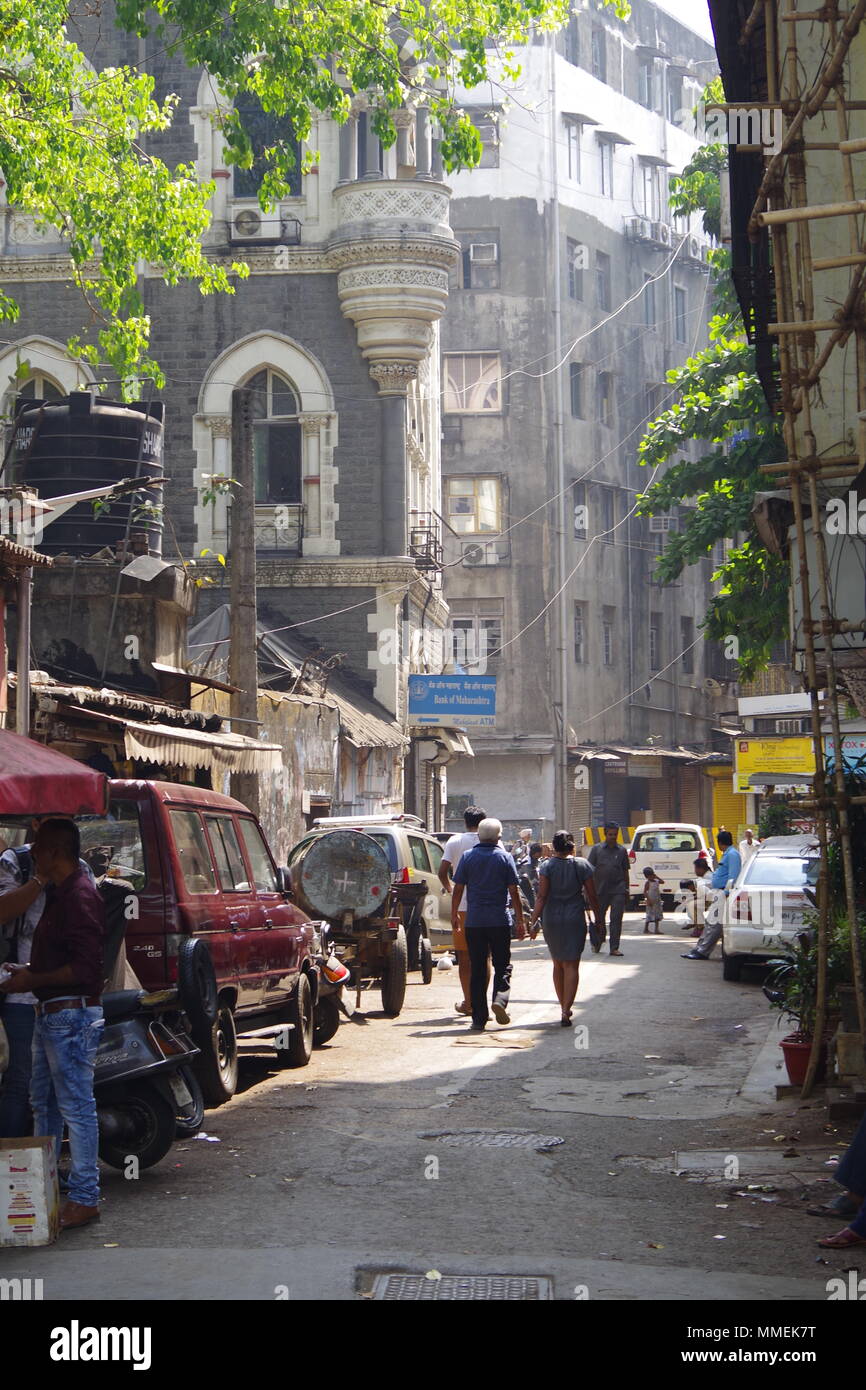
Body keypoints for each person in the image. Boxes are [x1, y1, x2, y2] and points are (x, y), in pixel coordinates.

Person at [0, 818, 106, 1231]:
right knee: (42, 1105)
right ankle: (47, 1185)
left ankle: (84, 1195)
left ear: (53, 852)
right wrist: (28, 969)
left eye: (38, 848)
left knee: (76, 1108)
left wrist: (34, 980)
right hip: (51, 1012)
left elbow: (84, 969)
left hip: (71, 1015)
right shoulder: (60, 892)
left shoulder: (79, 895)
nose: (33, 854)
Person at [0, 820, 94, 1140]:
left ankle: (54, 1173)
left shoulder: (78, 872)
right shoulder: (15, 862)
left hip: (59, 996)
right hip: (20, 994)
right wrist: (40, 876)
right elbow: (3, 911)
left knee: (60, 1093)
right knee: (21, 1080)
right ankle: (13, 1170)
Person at [450, 818, 525, 1031]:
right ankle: (500, 1001)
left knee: (477, 969)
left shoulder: (468, 857)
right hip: (499, 921)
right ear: (499, 836)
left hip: (474, 922)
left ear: (480, 836)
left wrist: (454, 914)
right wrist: (520, 920)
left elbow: (458, 889)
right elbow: (514, 891)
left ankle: (478, 1018)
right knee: (502, 965)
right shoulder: (504, 857)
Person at [528, 830, 600, 1026]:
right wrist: (599, 919)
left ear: (554, 847)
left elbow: (541, 897)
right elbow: (592, 896)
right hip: (574, 918)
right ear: (572, 846)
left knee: (558, 964)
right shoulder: (582, 865)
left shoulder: (547, 866)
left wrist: (533, 921)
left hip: (552, 918)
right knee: (572, 964)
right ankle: (567, 1009)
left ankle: (562, 1006)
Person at [438, 805, 487, 1016]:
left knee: (465, 958)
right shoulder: (494, 841)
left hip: (462, 907)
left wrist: (451, 891)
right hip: (487, 907)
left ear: (464, 821)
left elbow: (442, 872)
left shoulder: (455, 841)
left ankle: (468, 1002)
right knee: (485, 958)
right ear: (483, 822)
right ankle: (480, 1003)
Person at [682, 830, 742, 961]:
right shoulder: (728, 854)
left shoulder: (732, 855)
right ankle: (699, 949)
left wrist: (726, 893)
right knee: (710, 923)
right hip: (719, 892)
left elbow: (733, 876)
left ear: (720, 843)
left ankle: (702, 951)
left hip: (723, 893)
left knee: (714, 925)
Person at [587, 822, 629, 957]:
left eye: (615, 834)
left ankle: (614, 947)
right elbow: (589, 870)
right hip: (600, 890)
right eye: (610, 834)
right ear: (605, 834)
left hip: (618, 889)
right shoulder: (596, 850)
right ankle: (598, 941)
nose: (613, 837)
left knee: (616, 919)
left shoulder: (622, 851)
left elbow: (625, 871)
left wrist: (627, 889)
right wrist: (587, 890)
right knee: (599, 919)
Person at [642, 867, 664, 934]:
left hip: (657, 900)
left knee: (657, 915)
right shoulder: (647, 883)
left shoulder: (657, 881)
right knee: (649, 914)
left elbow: (662, 882)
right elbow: (645, 892)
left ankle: (656, 929)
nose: (651, 877)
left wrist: (656, 877)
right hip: (650, 900)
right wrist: (648, 900)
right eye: (649, 876)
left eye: (652, 875)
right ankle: (646, 929)